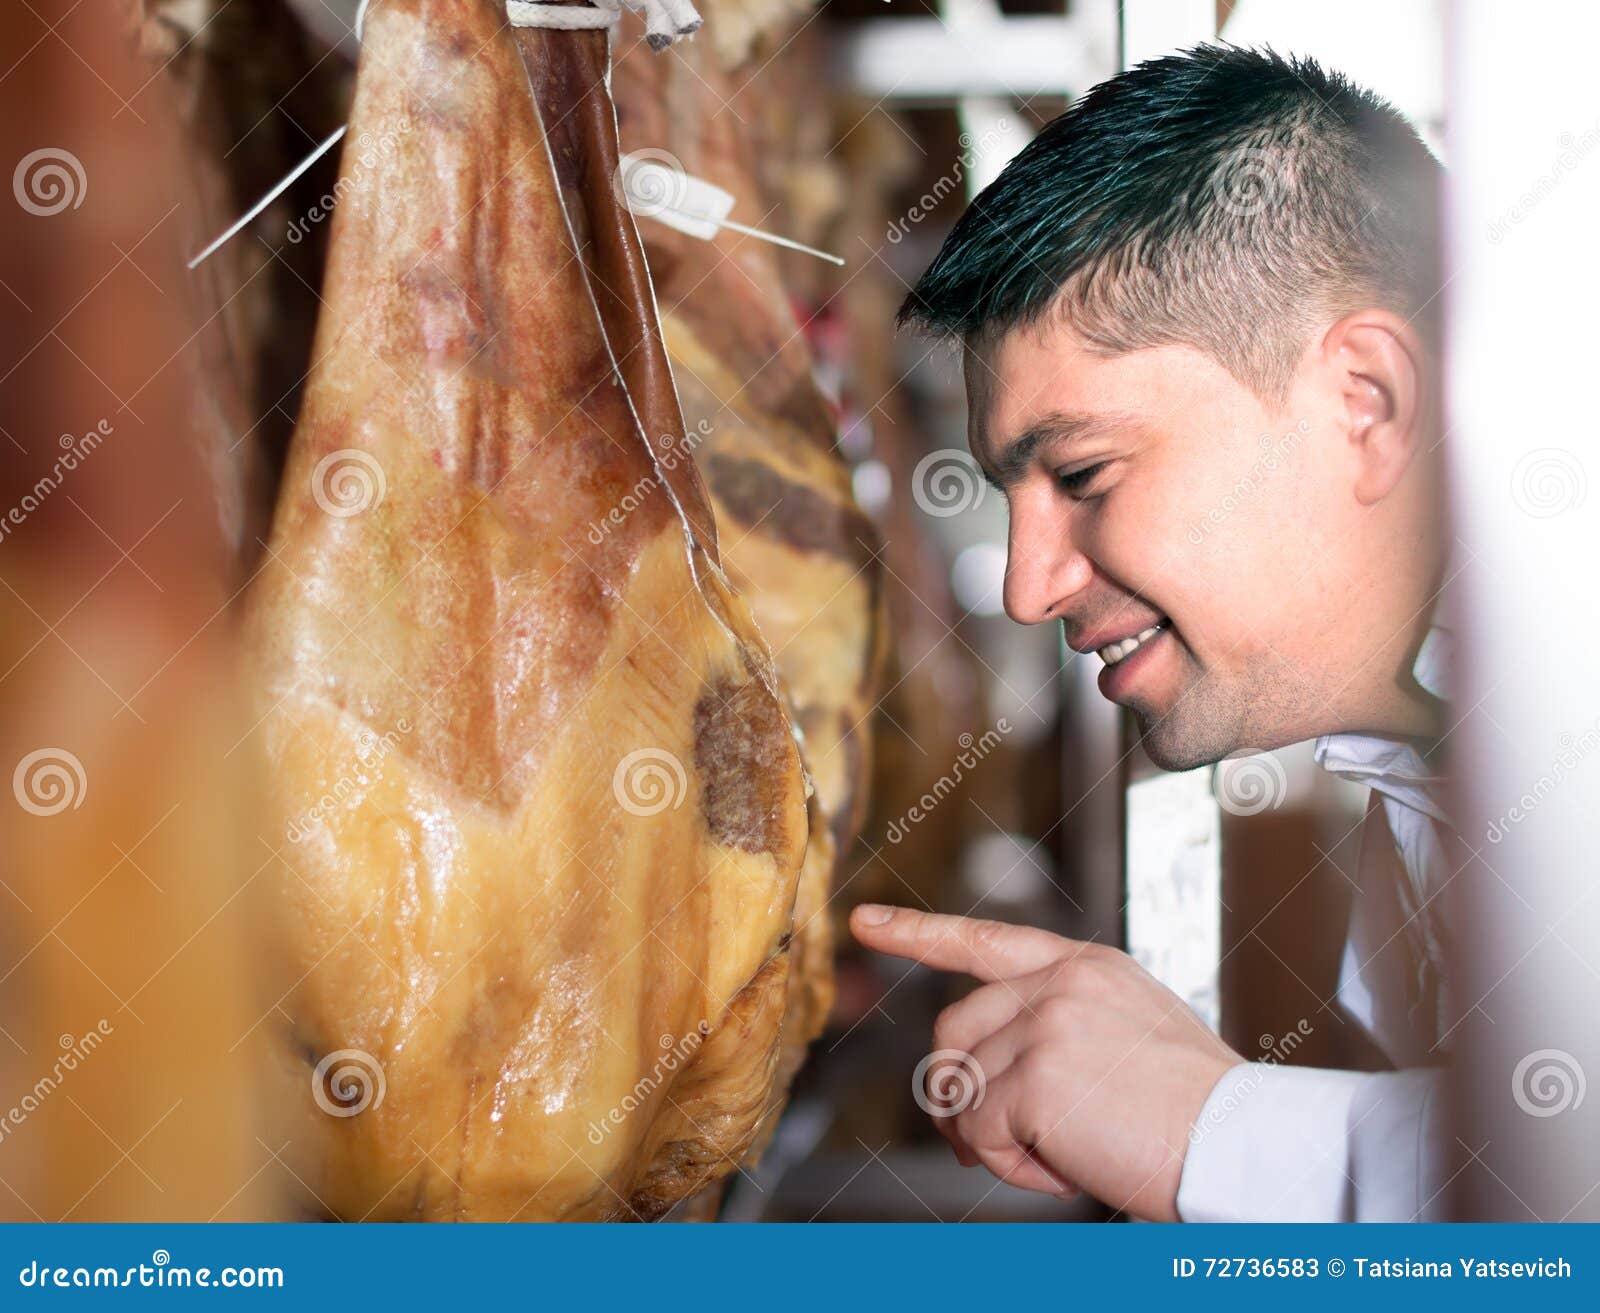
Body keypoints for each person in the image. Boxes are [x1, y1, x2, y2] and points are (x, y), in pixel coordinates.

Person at [850, 44, 1455, 1222]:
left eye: (1082, 471)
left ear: (1365, 402)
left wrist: (1206, 1125)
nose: (1028, 587)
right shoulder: (1424, 745)